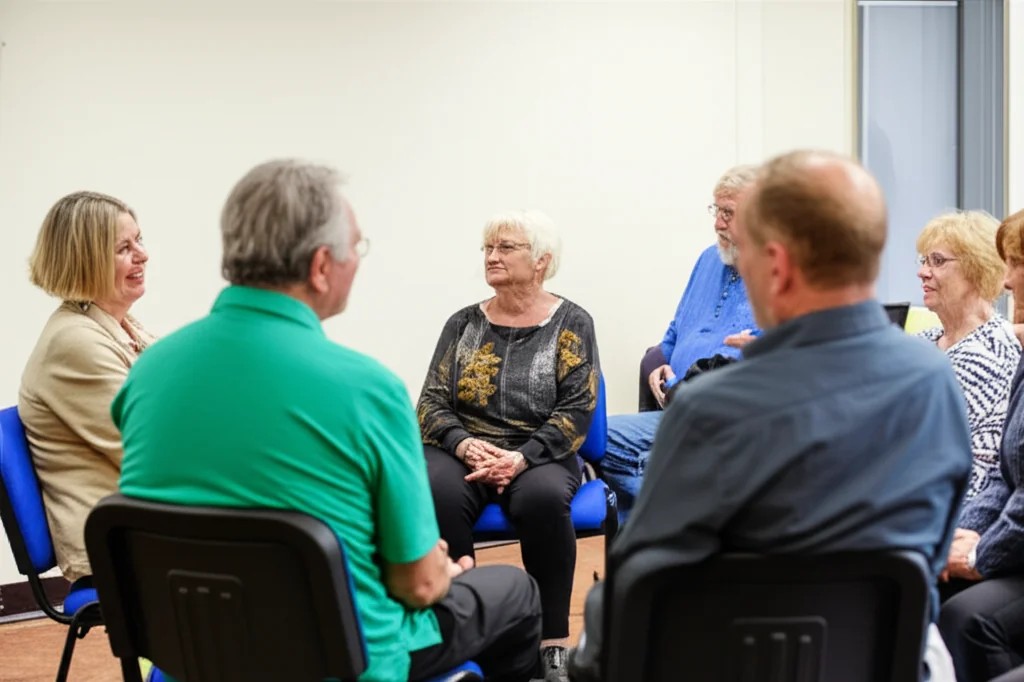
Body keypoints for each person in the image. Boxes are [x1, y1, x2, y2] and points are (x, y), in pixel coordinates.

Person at [114, 161, 542, 682]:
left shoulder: (148, 374)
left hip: (197, 656)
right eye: (355, 249)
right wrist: (439, 570)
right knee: (516, 592)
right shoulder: (368, 389)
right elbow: (419, 587)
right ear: (321, 266)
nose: (356, 263)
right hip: (344, 659)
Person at [569, 150, 972, 682]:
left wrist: (587, 658)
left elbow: (635, 596)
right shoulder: (934, 384)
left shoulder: (711, 409)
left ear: (777, 266)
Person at [418, 209, 599, 682]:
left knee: (541, 499)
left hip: (540, 450)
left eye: (504, 248)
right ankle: (468, 625)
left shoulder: (572, 323)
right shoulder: (462, 324)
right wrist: (464, 446)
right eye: (488, 248)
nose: (491, 257)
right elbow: (431, 403)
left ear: (541, 261)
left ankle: (551, 642)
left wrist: (521, 457)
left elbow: (578, 410)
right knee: (437, 491)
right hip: (466, 449)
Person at [601, 164, 760, 511]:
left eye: (728, 213)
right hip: (676, 405)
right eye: (716, 211)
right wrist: (658, 365)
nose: (718, 223)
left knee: (606, 444)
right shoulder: (708, 259)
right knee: (594, 439)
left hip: (726, 418)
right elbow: (674, 332)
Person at [18, 191, 154, 590]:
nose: (143, 255)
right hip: (120, 540)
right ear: (86, 259)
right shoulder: (74, 342)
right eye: (124, 248)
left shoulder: (119, 324)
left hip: (146, 521)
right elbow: (149, 449)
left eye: (139, 240)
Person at [938, 207, 1024, 682]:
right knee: (937, 587)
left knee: (968, 618)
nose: (1007, 281)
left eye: (1017, 263)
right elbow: (1003, 474)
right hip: (1011, 539)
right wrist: (962, 538)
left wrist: (979, 554)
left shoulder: (993, 352)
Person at [916, 210, 1021, 500]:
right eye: (924, 260)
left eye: (937, 261)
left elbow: (979, 471)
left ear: (978, 268)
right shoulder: (921, 343)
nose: (923, 271)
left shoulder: (993, 352)